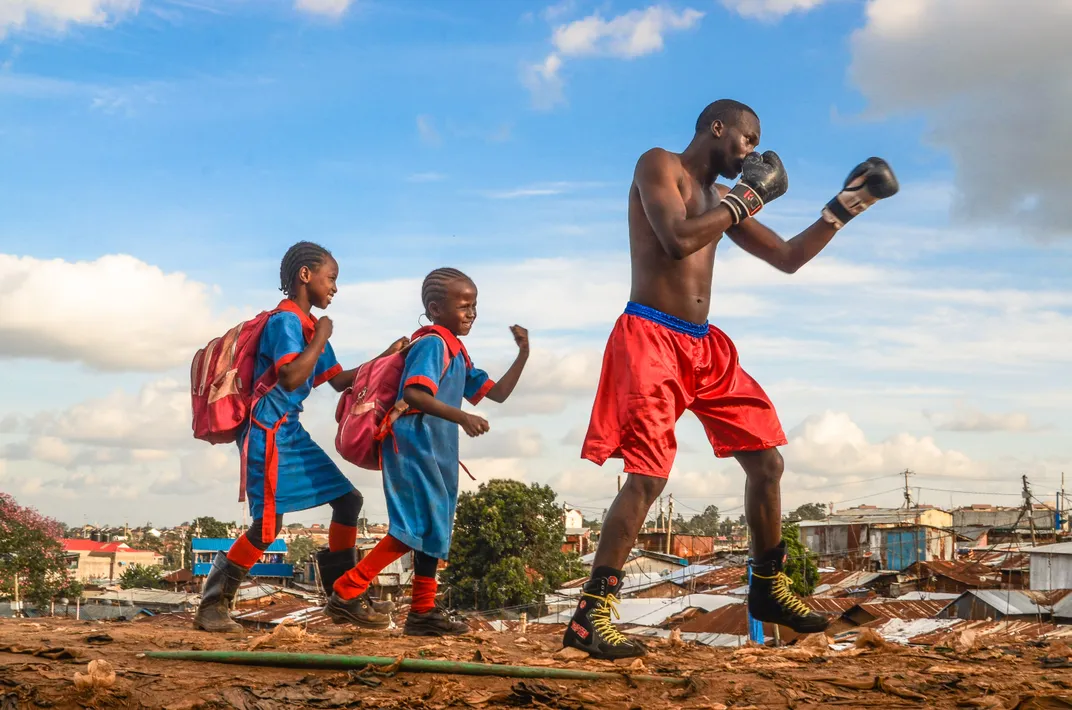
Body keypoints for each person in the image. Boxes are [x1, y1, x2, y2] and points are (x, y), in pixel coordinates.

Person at [564, 99, 899, 659]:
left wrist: (848, 205)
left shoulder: (723, 200)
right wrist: (751, 196)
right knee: (647, 477)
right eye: (748, 139)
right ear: (718, 129)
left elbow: (788, 257)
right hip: (650, 336)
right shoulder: (658, 164)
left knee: (766, 461)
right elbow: (677, 238)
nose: (752, 152)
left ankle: (768, 588)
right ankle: (589, 615)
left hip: (704, 346)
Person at [194, 241, 407, 633]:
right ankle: (212, 605)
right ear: (305, 275)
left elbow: (340, 380)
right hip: (268, 433)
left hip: (290, 430)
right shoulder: (286, 322)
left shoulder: (308, 327)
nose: (335, 288)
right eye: (332, 278)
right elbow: (291, 375)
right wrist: (322, 336)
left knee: (348, 500)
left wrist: (386, 356)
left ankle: (344, 598)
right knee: (267, 529)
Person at [324, 267, 530, 636]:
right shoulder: (432, 343)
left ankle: (423, 612)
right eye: (464, 305)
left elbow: (496, 393)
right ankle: (347, 590)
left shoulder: (458, 351)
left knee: (434, 529)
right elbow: (415, 394)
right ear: (435, 308)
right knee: (412, 528)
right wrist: (462, 417)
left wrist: (523, 353)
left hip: (439, 449)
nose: (472, 313)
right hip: (413, 443)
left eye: (475, 306)